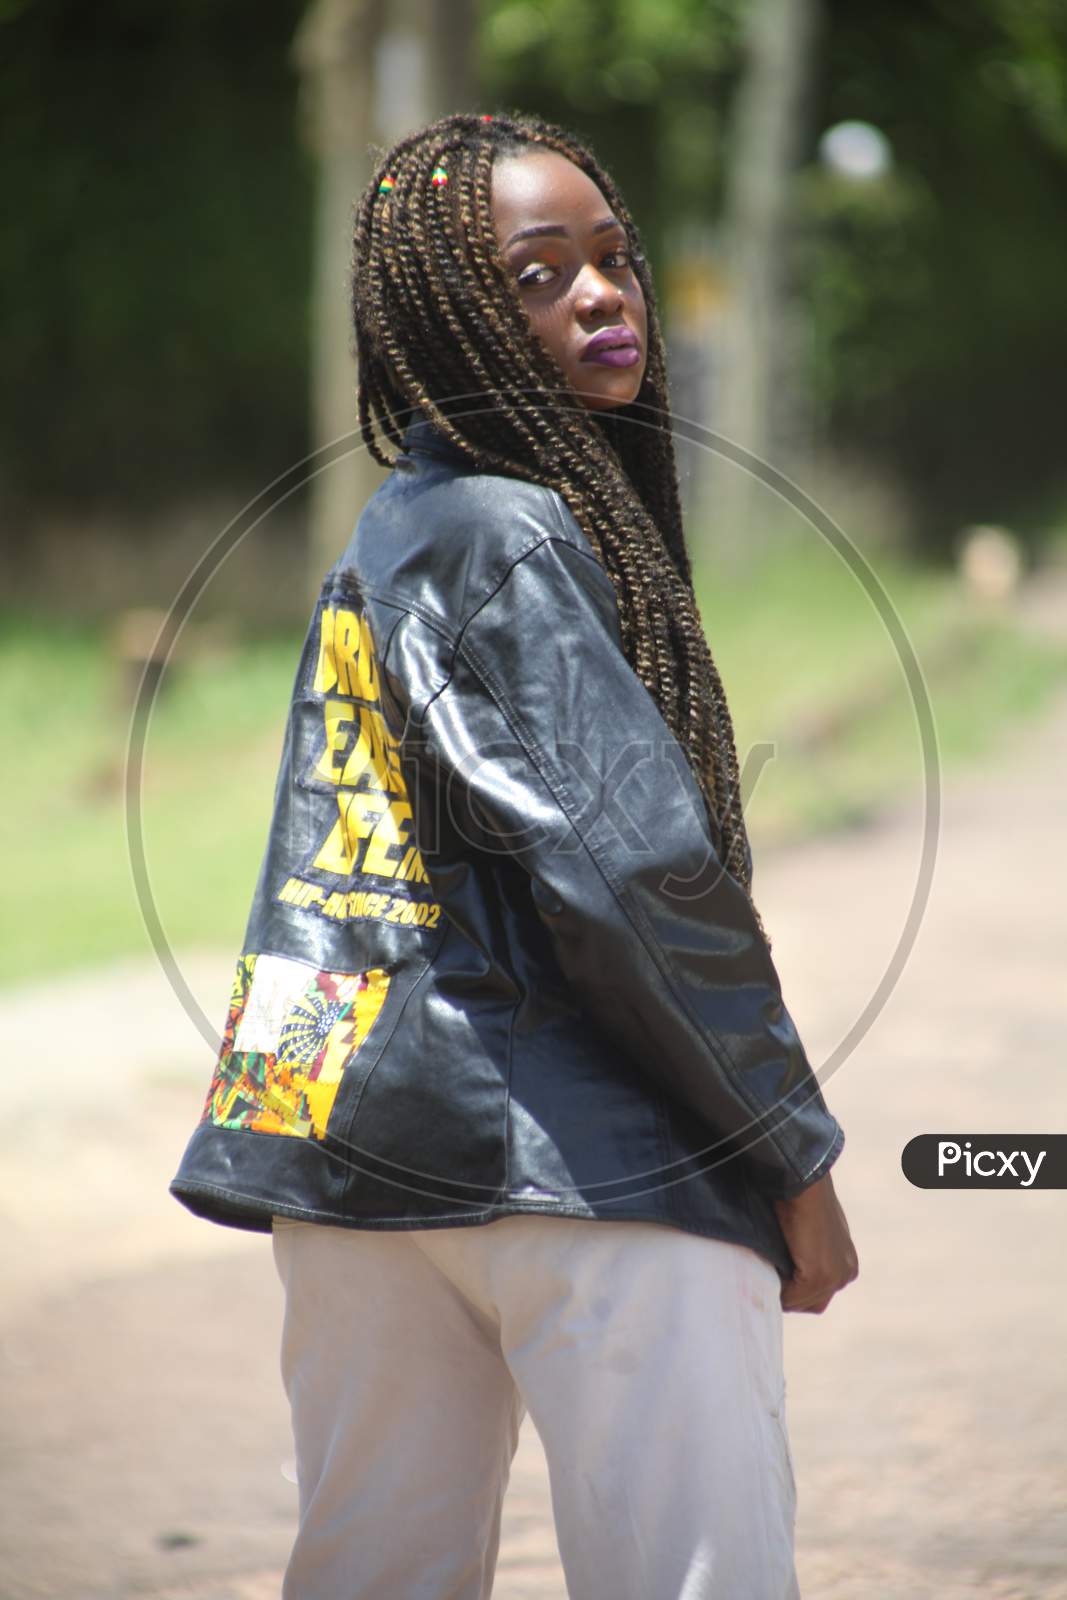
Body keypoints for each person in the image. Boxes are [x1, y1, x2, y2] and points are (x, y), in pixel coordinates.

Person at [170, 110, 858, 1599]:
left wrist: (291, 1144)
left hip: (354, 1182)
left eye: (611, 259)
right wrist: (788, 1155)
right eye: (537, 275)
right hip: (593, 1182)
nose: (601, 296)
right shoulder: (515, 534)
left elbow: (325, 880)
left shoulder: (386, 538)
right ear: (447, 318)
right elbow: (636, 881)